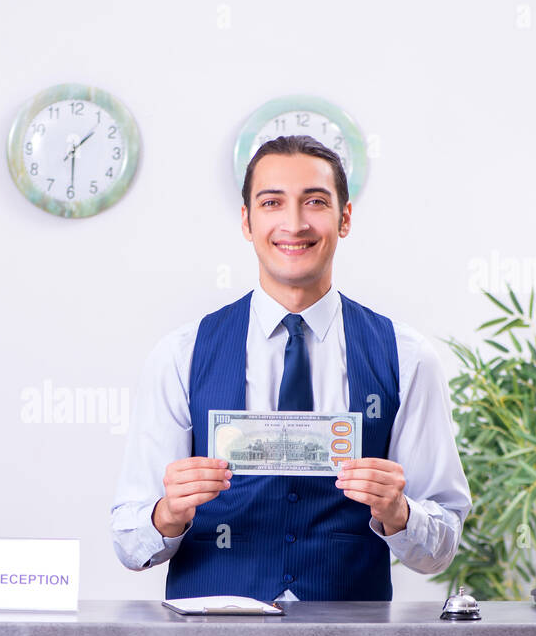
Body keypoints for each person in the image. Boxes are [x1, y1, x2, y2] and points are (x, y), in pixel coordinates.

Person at [109, 135, 472, 602]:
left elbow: (438, 552)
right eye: (272, 202)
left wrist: (400, 513)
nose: (294, 223)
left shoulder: (407, 357)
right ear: (247, 220)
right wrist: (167, 514)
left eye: (315, 202)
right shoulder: (180, 355)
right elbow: (128, 542)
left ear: (344, 219)